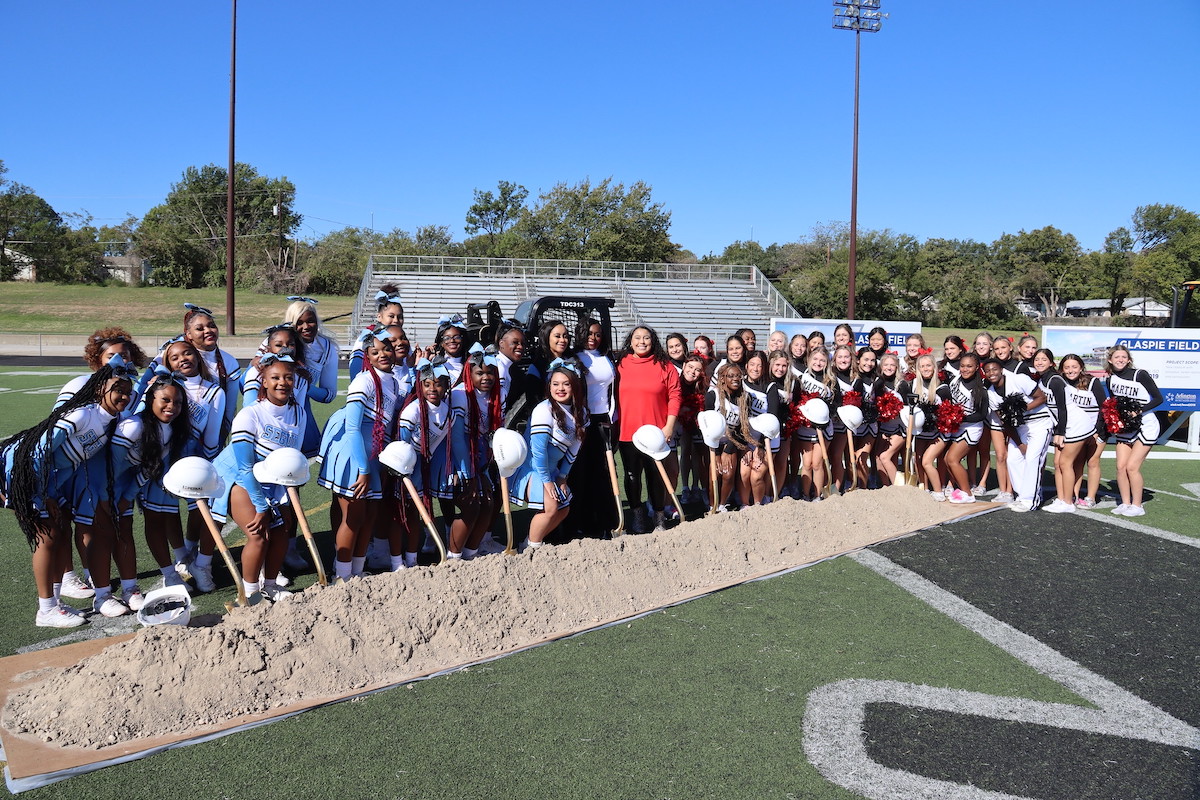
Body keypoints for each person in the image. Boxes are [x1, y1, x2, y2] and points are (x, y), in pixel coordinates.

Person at [3, 355, 138, 624]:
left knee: (57, 531)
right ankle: (46, 610)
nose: (123, 395)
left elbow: (65, 463)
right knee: (48, 537)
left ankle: (53, 604)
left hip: (42, 478)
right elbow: (39, 451)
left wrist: (51, 491)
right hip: (20, 471)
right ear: (100, 388)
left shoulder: (109, 421)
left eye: (127, 391)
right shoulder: (82, 414)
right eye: (117, 389)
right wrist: (44, 493)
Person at [208, 354, 305, 600]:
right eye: (275, 377)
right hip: (239, 478)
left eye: (288, 377)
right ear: (263, 381)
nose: (282, 382)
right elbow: (244, 469)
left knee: (284, 529)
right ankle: (249, 594)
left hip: (272, 480)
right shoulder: (250, 414)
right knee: (259, 535)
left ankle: (270, 585)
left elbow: (290, 459)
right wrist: (261, 506)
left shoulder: (299, 413)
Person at [317, 330, 401, 580]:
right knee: (353, 518)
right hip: (355, 457)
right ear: (367, 357)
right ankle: (341, 576)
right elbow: (352, 428)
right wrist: (363, 469)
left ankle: (357, 570)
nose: (383, 354)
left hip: (375, 456)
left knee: (369, 518)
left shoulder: (393, 381)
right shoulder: (363, 381)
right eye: (375, 352)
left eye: (386, 348)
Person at [111, 370, 192, 597]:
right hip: (108, 478)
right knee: (106, 528)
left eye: (177, 402)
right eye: (165, 400)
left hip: (130, 478)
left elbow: (148, 470)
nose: (171, 406)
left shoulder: (173, 429)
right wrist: (116, 496)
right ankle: (95, 583)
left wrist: (129, 496)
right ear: (150, 400)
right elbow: (111, 466)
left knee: (153, 518)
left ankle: (170, 574)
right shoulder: (133, 426)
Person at [510, 360, 588, 551]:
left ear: (574, 386)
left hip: (552, 471)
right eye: (555, 384)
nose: (560, 388)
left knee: (564, 508)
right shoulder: (543, 410)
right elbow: (538, 451)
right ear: (549, 386)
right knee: (552, 507)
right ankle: (531, 550)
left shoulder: (582, 413)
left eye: (566, 384)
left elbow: (573, 450)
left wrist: (562, 477)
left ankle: (529, 543)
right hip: (533, 469)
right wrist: (547, 481)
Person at [616, 325, 682, 531]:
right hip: (628, 431)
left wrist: (669, 426)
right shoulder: (620, 364)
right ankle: (637, 515)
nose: (642, 342)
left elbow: (675, 396)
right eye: (637, 338)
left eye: (646, 338)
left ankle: (659, 517)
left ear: (653, 341)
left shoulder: (665, 366)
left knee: (655, 475)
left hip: (656, 432)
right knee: (632, 475)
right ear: (630, 341)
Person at [395, 359, 453, 567]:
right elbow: (402, 444)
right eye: (427, 384)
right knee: (406, 509)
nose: (432, 389)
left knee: (423, 506)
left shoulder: (448, 410)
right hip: (408, 464)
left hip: (425, 462)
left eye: (438, 384)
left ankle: (417, 553)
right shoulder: (413, 411)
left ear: (447, 386)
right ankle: (398, 557)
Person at [448, 347, 502, 558]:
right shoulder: (461, 394)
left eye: (490, 372)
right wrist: (469, 475)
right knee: (471, 506)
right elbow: (458, 438)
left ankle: (471, 553)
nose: (486, 377)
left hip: (480, 458)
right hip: (457, 460)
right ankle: (453, 557)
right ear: (469, 374)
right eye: (480, 373)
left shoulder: (496, 394)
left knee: (488, 504)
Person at [568, 318, 619, 537]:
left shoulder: (607, 357)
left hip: (604, 421)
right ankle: (578, 523)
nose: (593, 338)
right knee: (580, 474)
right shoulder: (574, 358)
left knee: (602, 473)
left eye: (597, 334)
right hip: (582, 422)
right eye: (589, 333)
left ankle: (603, 522)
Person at [981, 357, 1048, 513]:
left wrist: (1022, 409)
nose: (992, 373)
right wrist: (1019, 443)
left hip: (1040, 423)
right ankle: (1022, 495)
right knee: (1012, 459)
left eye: (995, 369)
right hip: (1020, 429)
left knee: (1032, 459)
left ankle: (1031, 500)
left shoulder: (1019, 379)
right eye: (988, 371)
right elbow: (1005, 421)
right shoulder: (990, 394)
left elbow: (1042, 397)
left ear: (1002, 370)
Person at [1105, 345, 1162, 517]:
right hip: (1126, 426)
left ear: (1129, 359)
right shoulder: (1110, 379)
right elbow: (1115, 404)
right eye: (1117, 357)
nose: (1120, 360)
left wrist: (1138, 411)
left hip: (1146, 424)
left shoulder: (1140, 374)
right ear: (1110, 360)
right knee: (1121, 467)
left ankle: (1137, 506)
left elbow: (1159, 398)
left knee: (1131, 467)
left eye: (1123, 357)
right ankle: (1125, 503)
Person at [280, 297, 340, 456]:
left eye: (311, 321)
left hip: (301, 410)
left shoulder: (326, 348)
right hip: (274, 409)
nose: (306, 327)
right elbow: (247, 382)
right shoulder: (277, 340)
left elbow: (329, 395)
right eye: (299, 322)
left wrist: (305, 387)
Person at [705, 362, 762, 510]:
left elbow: (742, 428)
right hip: (713, 442)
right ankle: (712, 506)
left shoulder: (745, 398)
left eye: (738, 376)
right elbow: (707, 426)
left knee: (728, 474)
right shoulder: (713, 396)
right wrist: (717, 453)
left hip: (732, 441)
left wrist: (727, 450)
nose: (736, 379)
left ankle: (722, 505)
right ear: (722, 378)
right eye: (731, 376)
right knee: (715, 474)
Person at [933, 353, 989, 504]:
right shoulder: (955, 380)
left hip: (971, 428)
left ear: (977, 367)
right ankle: (962, 489)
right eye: (962, 366)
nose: (965, 369)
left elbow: (982, 415)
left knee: (952, 459)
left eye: (969, 366)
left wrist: (959, 417)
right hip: (957, 427)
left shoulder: (980, 389)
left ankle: (968, 493)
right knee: (946, 459)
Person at [182, 303, 242, 440]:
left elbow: (229, 408)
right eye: (200, 328)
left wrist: (220, 437)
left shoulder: (229, 362)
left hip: (213, 432)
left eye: (212, 326)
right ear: (188, 334)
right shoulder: (178, 356)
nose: (208, 330)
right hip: (180, 429)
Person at [1059, 354, 1107, 509]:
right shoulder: (1062, 383)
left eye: (1074, 367)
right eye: (1067, 367)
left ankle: (1090, 497)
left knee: (1092, 462)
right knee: (1077, 462)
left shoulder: (1092, 382)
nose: (1071, 370)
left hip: (1097, 429)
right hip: (1077, 432)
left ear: (1081, 367)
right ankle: (1074, 495)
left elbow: (1104, 408)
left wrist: (1098, 430)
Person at [793, 347, 835, 500]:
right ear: (809, 360)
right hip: (806, 427)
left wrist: (824, 417)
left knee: (818, 463)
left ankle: (817, 495)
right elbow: (796, 400)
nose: (818, 363)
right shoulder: (802, 378)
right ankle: (805, 494)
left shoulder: (831, 380)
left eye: (822, 360)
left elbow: (834, 405)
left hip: (823, 428)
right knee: (807, 463)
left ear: (827, 363)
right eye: (815, 359)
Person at [872, 353, 905, 486]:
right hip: (883, 427)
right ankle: (887, 487)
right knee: (878, 458)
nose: (889, 367)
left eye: (892, 365)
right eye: (886, 365)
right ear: (881, 366)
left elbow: (907, 408)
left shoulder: (902, 384)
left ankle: (899, 488)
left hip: (899, 427)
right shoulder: (878, 383)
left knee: (885, 457)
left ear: (897, 367)